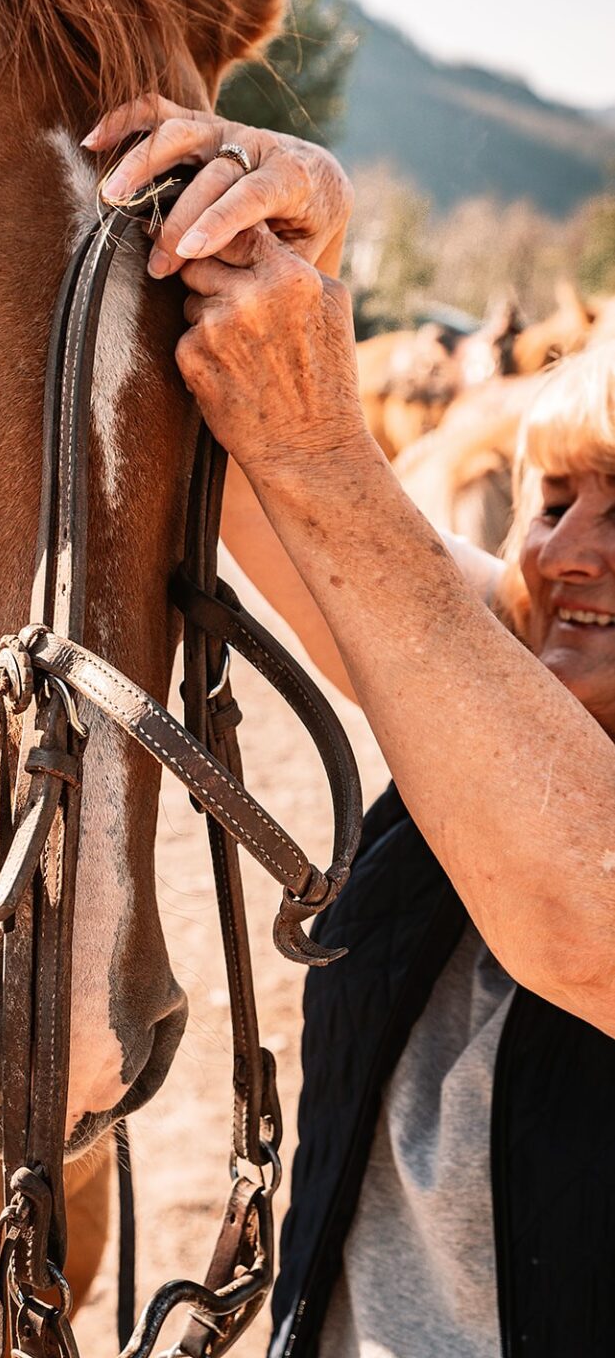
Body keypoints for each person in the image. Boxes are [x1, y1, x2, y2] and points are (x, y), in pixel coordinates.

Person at [82, 98, 615, 1358]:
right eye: (553, 498)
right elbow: (326, 538)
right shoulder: (502, 667)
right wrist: (257, 241)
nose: (570, 553)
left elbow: (581, 920)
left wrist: (322, 441)